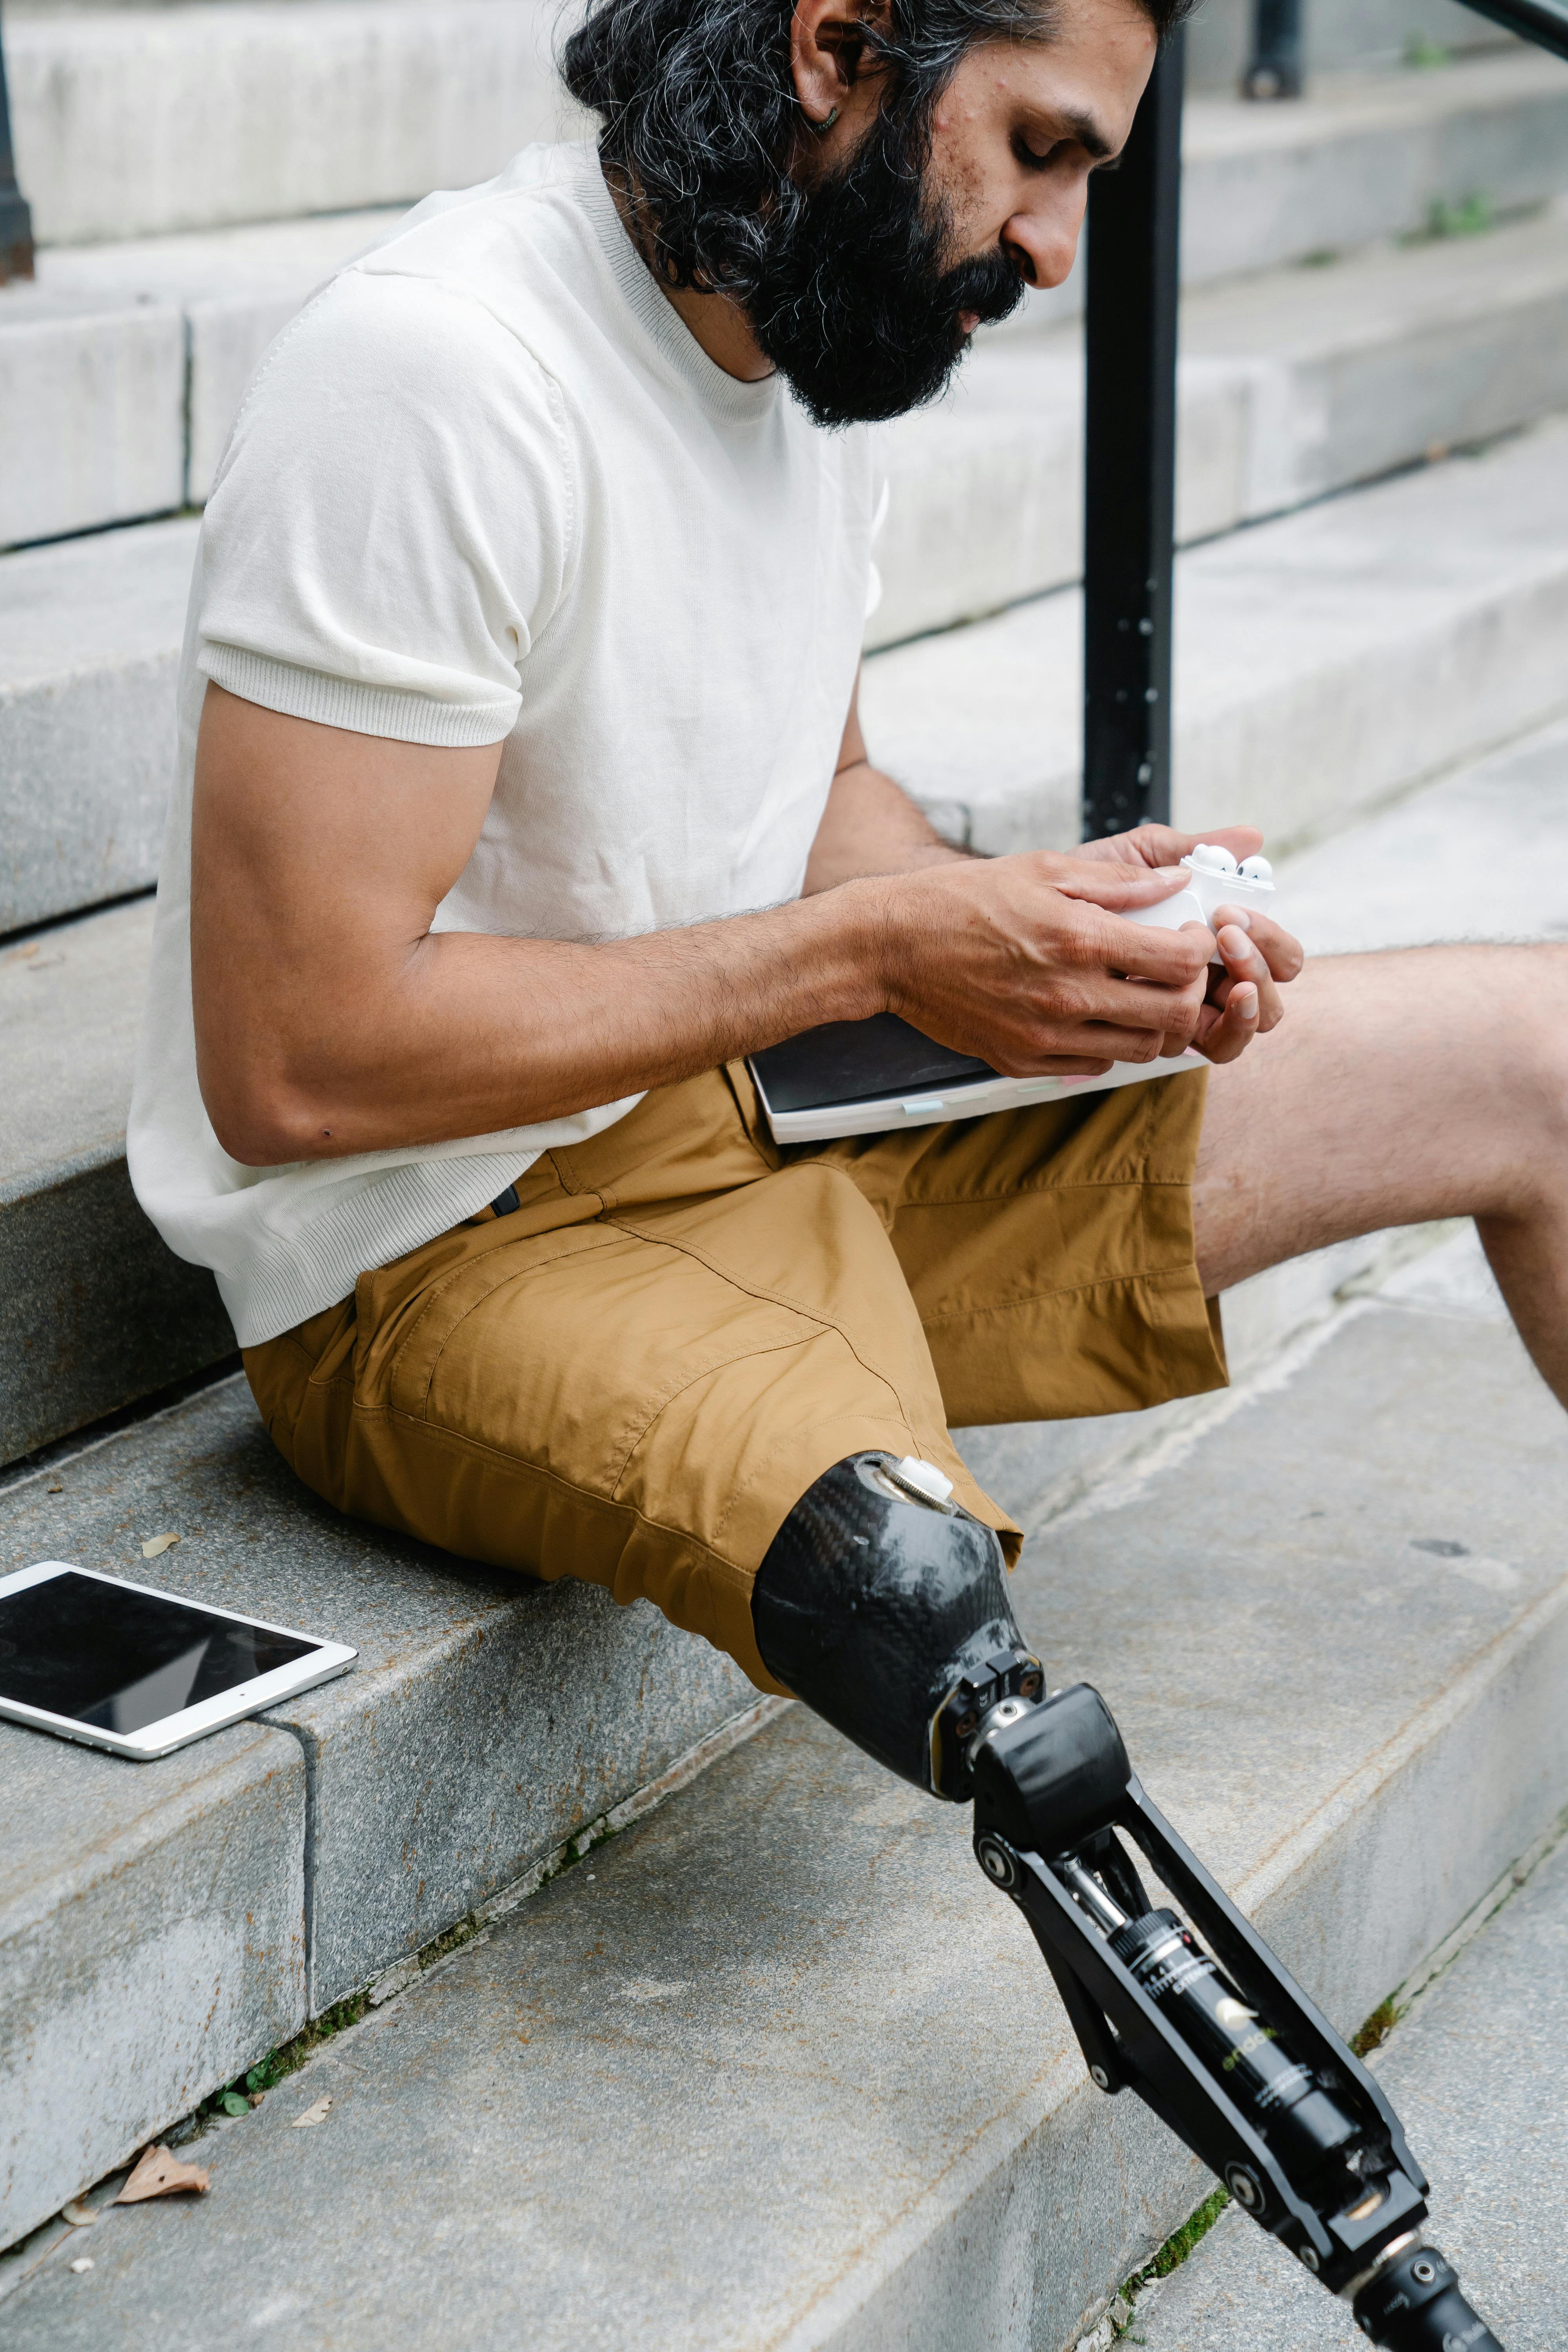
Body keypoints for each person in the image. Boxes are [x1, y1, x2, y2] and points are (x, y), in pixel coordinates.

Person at [130, 0, 1568, 1790]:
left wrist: (1053, 942)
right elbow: (299, 1070)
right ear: (832, 50)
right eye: (1041, 151)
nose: (1056, 245)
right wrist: (877, 949)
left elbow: (826, 800)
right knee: (907, 1591)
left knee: (1542, 1047)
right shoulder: (436, 374)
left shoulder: (811, 323)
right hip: (436, 1242)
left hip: (758, 1111)